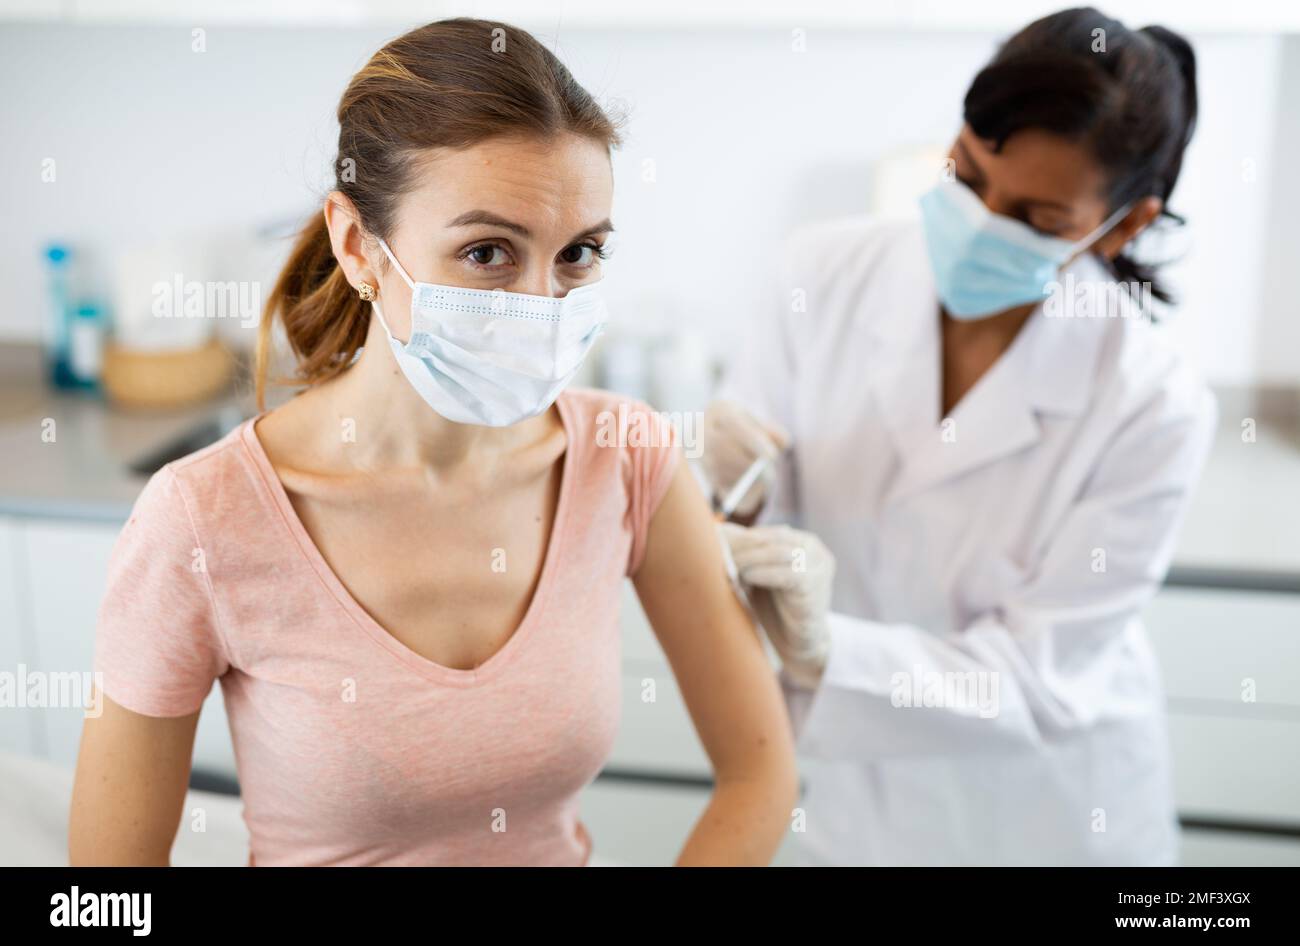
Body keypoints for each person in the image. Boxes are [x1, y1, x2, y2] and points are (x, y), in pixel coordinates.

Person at [70, 18, 796, 867]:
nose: (543, 303)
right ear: (357, 246)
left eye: (579, 253)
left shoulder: (627, 459)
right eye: (487, 252)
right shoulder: (201, 518)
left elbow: (760, 773)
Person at [706, 7, 1214, 865]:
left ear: (1122, 226)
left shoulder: (1151, 402)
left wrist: (831, 647)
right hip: (856, 801)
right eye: (968, 175)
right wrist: (731, 492)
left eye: (1038, 217)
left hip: (1048, 810)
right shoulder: (822, 274)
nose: (981, 220)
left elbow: (1040, 680)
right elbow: (743, 521)